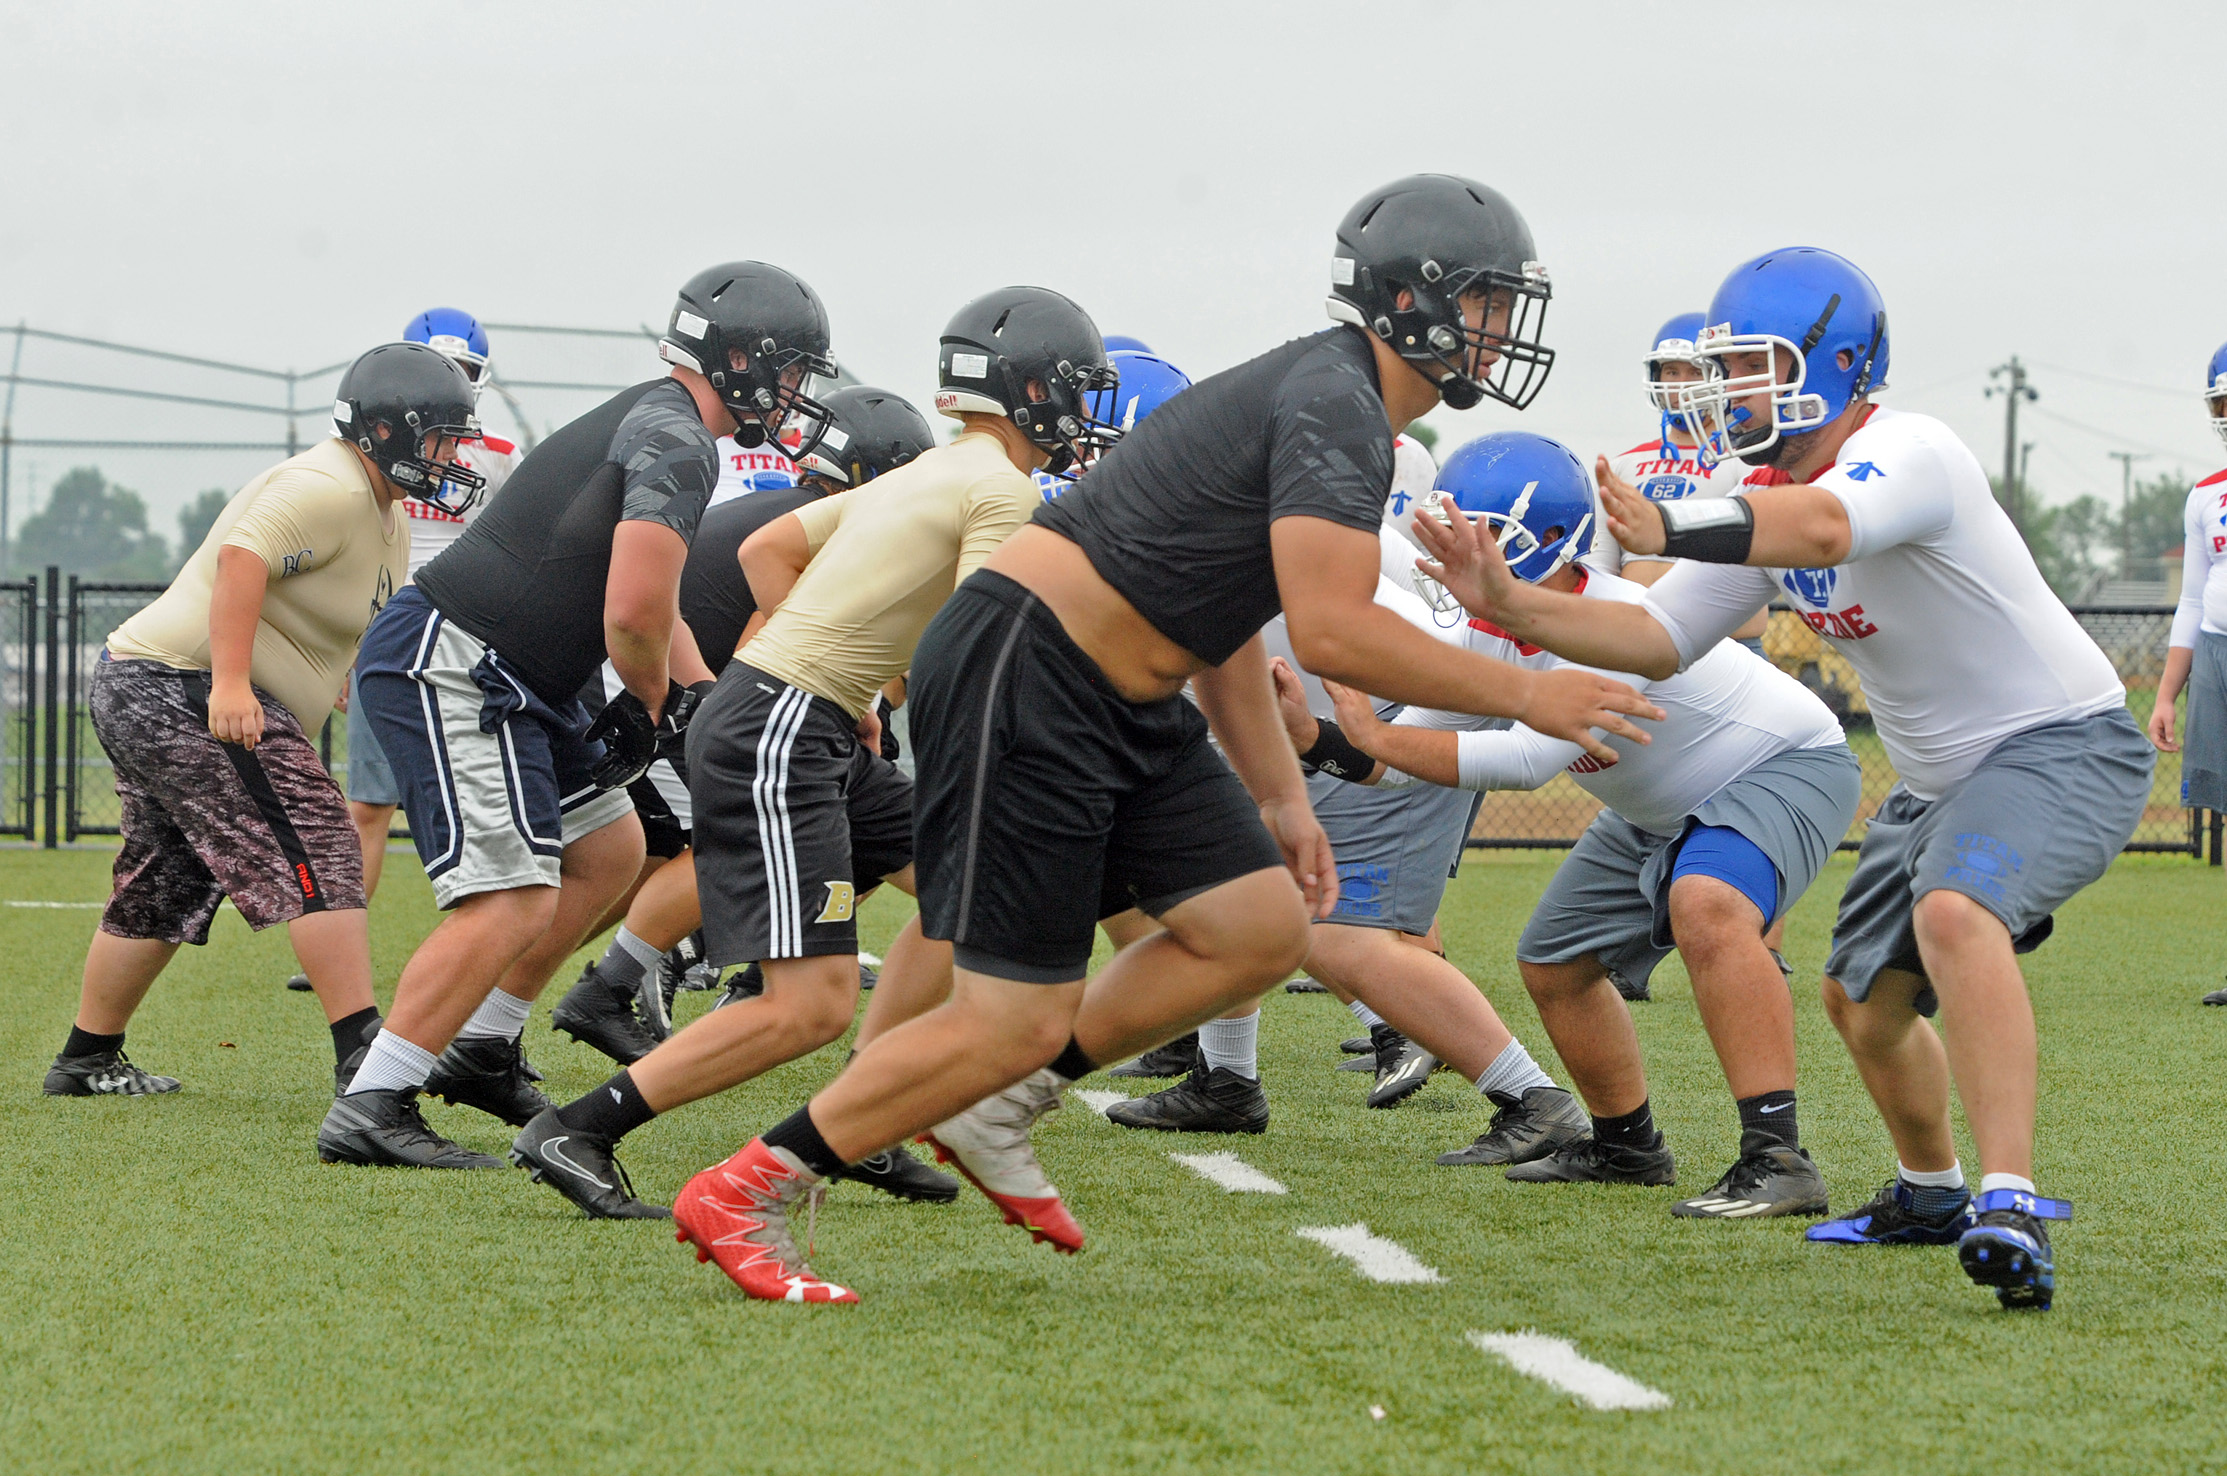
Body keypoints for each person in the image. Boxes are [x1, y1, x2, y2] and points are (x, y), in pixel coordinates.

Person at [674, 174, 1661, 1305]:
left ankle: (999, 1103)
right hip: (1030, 673)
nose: (1500, 328)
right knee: (1013, 1013)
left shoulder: (1332, 399)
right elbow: (1334, 630)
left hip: (1111, 688)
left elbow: (1227, 621)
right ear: (1414, 302)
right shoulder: (1334, 405)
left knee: (1256, 928)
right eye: (1486, 301)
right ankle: (754, 1181)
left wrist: (1283, 801)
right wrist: (1526, 693)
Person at [1418, 247, 2152, 1309]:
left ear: (1843, 362)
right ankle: (1930, 1190)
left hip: (2060, 739)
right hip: (1937, 779)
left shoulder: (1911, 450)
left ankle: (2009, 1197)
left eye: (1756, 365)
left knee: (1952, 916)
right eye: (1728, 370)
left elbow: (1825, 526)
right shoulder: (1755, 496)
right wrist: (1512, 603)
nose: (1733, 393)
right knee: (1863, 999)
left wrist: (1667, 523)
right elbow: (1658, 636)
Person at [516, 290, 1105, 1223]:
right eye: (1073, 390)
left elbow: (767, 551)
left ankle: (864, 1120)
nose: (1082, 411)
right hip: (783, 725)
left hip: (800, 713)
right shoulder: (1001, 489)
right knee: (809, 1004)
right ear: (1029, 389)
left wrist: (848, 676)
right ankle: (578, 1128)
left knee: (970, 888)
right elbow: (984, 645)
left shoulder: (933, 473)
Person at [318, 262, 831, 1169]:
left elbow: (654, 603)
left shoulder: (661, 419)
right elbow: (631, 611)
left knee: (609, 853)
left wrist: (691, 690)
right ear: (741, 359)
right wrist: (653, 701)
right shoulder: (678, 440)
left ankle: (480, 1044)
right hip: (459, 659)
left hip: (519, 672)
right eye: (788, 371)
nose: (793, 393)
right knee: (512, 893)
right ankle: (373, 1098)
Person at [1323, 431, 1860, 1212]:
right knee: (1553, 961)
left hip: (1780, 764)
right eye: (1448, 536)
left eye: (1483, 541)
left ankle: (1778, 1158)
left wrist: (1375, 736)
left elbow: (1520, 763)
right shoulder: (1486, 627)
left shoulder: (1605, 623)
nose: (1454, 560)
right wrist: (1313, 738)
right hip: (1661, 804)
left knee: (1706, 905)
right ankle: (1626, 1145)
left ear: (1548, 545)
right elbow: (1401, 745)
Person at [43, 343, 480, 1101]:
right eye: (440, 436)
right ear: (386, 430)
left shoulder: (382, 509)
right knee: (321, 837)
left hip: (147, 682)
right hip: (181, 681)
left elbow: (333, 606)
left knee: (168, 877)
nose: (450, 454)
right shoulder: (327, 484)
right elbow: (243, 560)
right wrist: (235, 683)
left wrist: (338, 671)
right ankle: (362, 1056)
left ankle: (85, 1061)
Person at [548, 385, 938, 1066]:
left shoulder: (797, 512)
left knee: (842, 825)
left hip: (695, 682)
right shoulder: (828, 530)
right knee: (730, 836)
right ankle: (612, 985)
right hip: (673, 682)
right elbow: (771, 636)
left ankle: (718, 968)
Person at [338, 308, 518, 901]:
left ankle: (485, 928)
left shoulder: (496, 454)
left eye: (463, 372)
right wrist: (346, 651)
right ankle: (343, 949)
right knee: (369, 803)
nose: (454, 386)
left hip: (461, 629)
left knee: (477, 794)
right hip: (382, 624)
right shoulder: (371, 452)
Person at [2151, 339, 2227, 1006]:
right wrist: (2167, 694)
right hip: (2215, 652)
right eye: (2222, 401)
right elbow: (2194, 597)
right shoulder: (2205, 496)